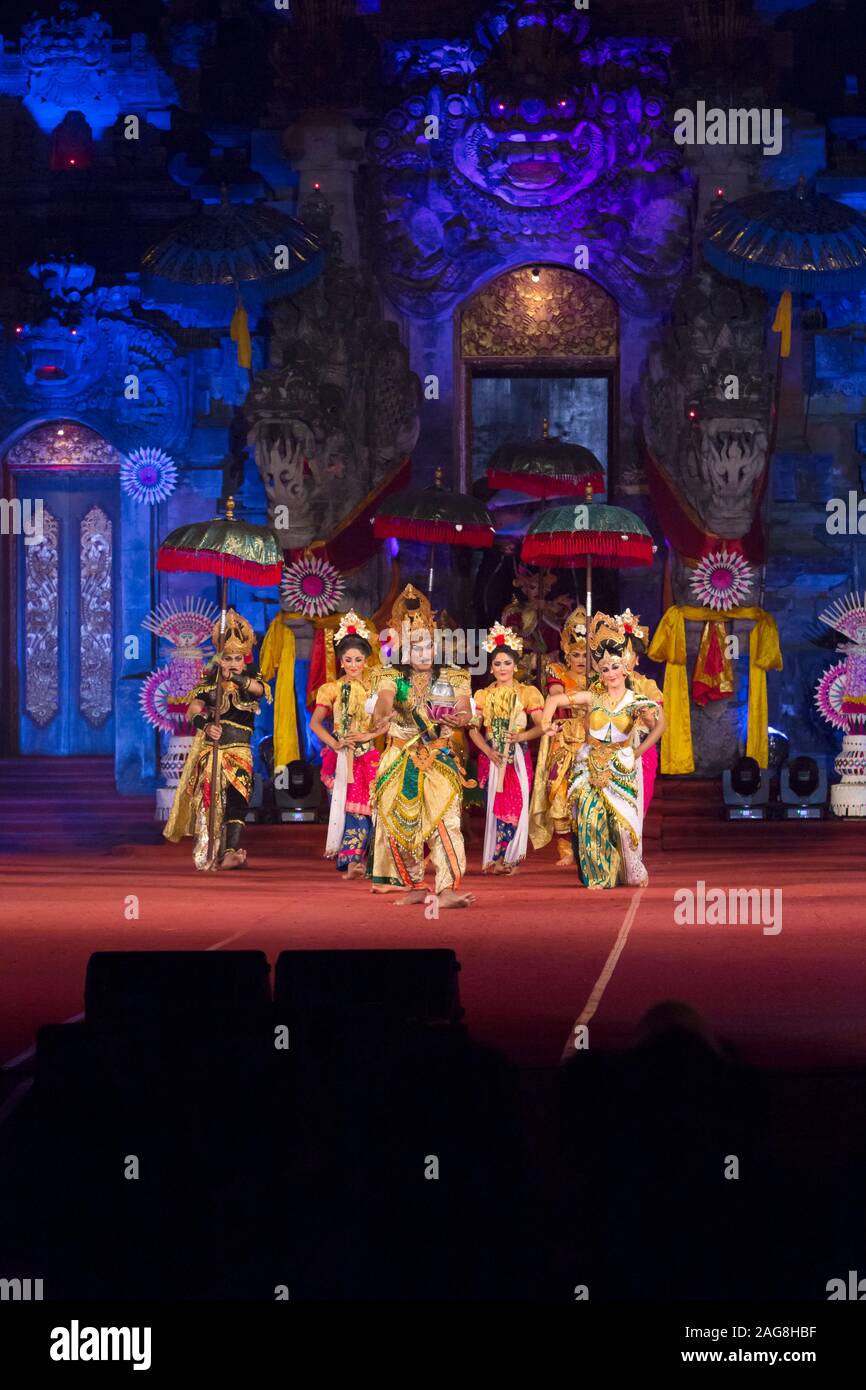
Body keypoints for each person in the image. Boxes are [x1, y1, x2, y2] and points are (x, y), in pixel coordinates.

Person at [367, 584, 474, 908]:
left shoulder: (455, 676)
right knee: (396, 823)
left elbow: (466, 708)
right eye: (416, 648)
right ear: (403, 649)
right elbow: (384, 704)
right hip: (400, 756)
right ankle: (414, 884)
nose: (423, 655)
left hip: (438, 756)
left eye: (428, 647)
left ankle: (446, 889)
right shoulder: (388, 676)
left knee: (446, 821)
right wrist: (383, 716)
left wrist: (460, 718)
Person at [541, 613, 665, 889]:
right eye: (605, 668)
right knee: (588, 818)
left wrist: (638, 751)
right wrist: (546, 722)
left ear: (625, 669)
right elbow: (557, 698)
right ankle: (599, 875)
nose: (609, 674)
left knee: (622, 825)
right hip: (589, 764)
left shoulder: (636, 700)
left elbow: (659, 726)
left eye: (615, 667)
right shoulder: (593, 696)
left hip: (621, 765)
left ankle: (629, 868)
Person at [164, 608, 271, 871]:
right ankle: (210, 850)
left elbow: (259, 690)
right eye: (227, 658)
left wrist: (233, 677)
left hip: (241, 750)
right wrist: (205, 725)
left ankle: (232, 851)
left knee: (239, 798)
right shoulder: (208, 685)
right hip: (215, 750)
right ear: (219, 659)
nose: (233, 662)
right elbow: (192, 710)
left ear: (244, 660)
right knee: (211, 801)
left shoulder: (251, 681)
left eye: (238, 658)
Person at [469, 623, 544, 874]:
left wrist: (520, 736)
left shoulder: (528, 693)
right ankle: (497, 859)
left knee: (516, 805)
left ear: (516, 666)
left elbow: (542, 726)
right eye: (498, 664)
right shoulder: (482, 695)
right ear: (491, 667)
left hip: (518, 757)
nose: (502, 668)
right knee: (497, 806)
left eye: (507, 663)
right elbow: (472, 729)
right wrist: (489, 752)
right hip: (493, 757)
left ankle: (510, 858)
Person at [310, 611, 380, 878]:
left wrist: (368, 735)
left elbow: (388, 719)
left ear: (366, 661)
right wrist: (336, 743)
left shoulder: (375, 687)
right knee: (351, 808)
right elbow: (316, 723)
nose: (353, 664)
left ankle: (368, 861)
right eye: (348, 660)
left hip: (369, 754)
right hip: (341, 757)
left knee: (370, 809)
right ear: (341, 661)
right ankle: (352, 862)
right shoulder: (331, 689)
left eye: (358, 660)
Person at [529, 605, 589, 868]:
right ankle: (566, 848)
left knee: (587, 792)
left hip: (591, 737)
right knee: (558, 791)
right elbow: (555, 697)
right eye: (575, 653)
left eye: (586, 654)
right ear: (566, 651)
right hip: (563, 736)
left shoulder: (601, 676)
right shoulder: (557, 672)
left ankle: (587, 845)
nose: (580, 659)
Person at [617, 609, 664, 815]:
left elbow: (657, 727)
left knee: (634, 815)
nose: (623, 660)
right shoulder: (601, 686)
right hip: (609, 752)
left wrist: (646, 716)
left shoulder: (648, 686)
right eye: (619, 654)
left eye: (628, 655)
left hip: (641, 750)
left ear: (637, 659)